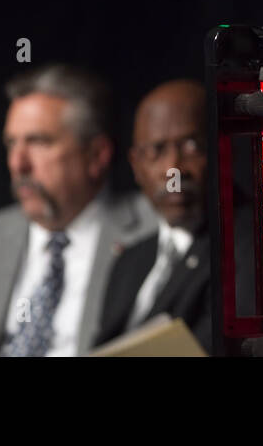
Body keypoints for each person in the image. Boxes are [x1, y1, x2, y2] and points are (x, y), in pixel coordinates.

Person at [0, 64, 156, 356]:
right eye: (12, 144)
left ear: (97, 155)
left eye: (39, 142)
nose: (18, 163)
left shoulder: (156, 231)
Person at [96, 80, 212, 352]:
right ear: (135, 165)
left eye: (192, 146)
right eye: (156, 151)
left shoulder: (246, 256)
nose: (173, 169)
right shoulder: (129, 261)